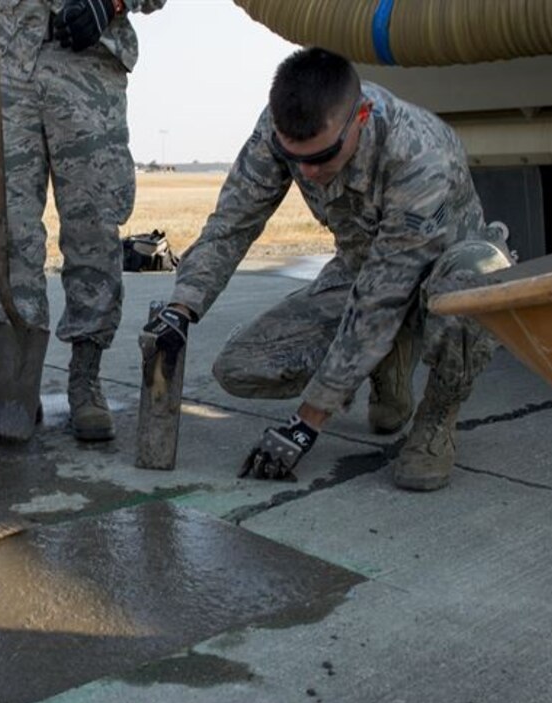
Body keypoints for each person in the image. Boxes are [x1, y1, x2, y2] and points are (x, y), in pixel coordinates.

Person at [145, 47, 513, 491]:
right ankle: (389, 360)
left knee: (472, 290)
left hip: (440, 277)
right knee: (242, 366)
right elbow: (232, 223)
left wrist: (306, 423)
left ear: (360, 118)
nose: (307, 171)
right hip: (362, 270)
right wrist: (181, 308)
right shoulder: (279, 128)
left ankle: (436, 422)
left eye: (322, 157)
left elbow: (382, 297)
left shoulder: (419, 156)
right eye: (294, 156)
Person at [0, 0, 166, 441]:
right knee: (7, 227)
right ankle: (16, 383)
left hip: (85, 63)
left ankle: (85, 379)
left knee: (93, 224)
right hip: (6, 68)